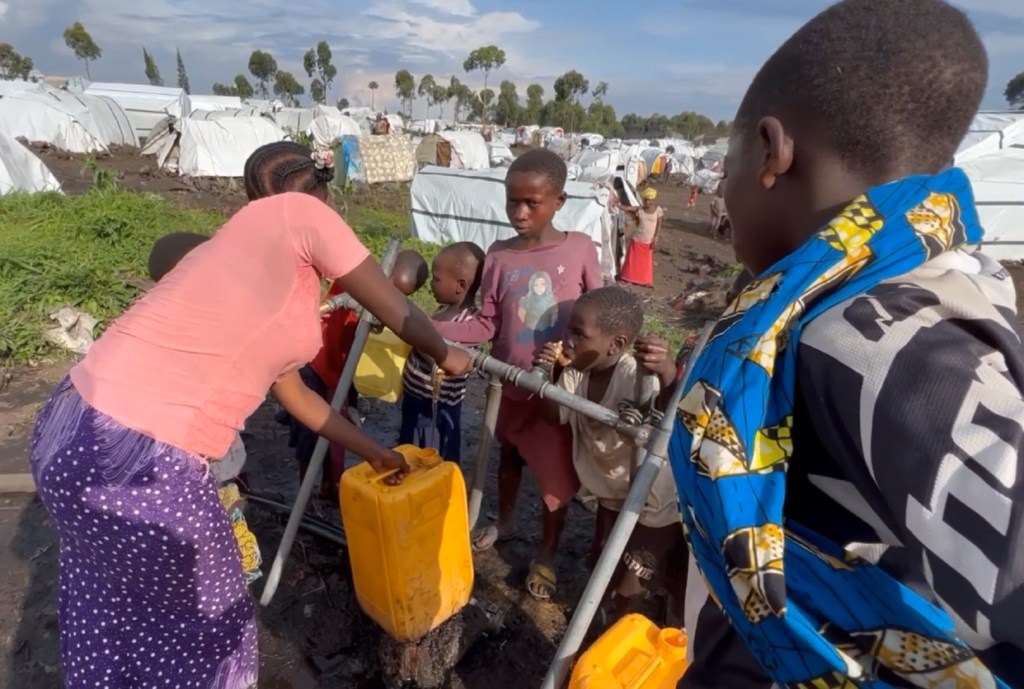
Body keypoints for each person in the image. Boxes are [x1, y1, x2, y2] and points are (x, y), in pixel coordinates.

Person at [29, 140, 471, 689]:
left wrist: (374, 451)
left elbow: (298, 397)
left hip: (69, 424)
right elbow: (396, 306)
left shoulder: (240, 261)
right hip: (141, 456)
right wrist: (448, 353)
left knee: (114, 602)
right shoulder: (301, 211)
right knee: (212, 625)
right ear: (317, 191)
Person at [672, 1, 1023, 688]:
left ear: (773, 152)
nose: (721, 191)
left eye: (726, 165)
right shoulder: (939, 283)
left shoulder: (881, 339)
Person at [434, 148, 603, 600]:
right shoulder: (499, 255)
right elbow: (487, 323)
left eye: (532, 203)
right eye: (512, 202)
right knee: (508, 457)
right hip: (508, 383)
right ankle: (506, 522)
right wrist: (430, 327)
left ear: (560, 201)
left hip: (554, 391)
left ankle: (547, 552)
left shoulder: (580, 249)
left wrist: (576, 360)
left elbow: (599, 320)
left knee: (554, 478)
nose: (520, 213)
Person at [534, 286, 686, 627]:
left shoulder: (635, 375)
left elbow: (668, 410)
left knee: (634, 575)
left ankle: (618, 627)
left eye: (579, 334)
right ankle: (595, 612)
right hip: (611, 489)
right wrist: (547, 377)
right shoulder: (576, 372)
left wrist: (665, 372)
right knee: (601, 556)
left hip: (649, 498)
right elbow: (552, 415)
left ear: (616, 345)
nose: (568, 341)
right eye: (568, 331)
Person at [284, 249, 429, 502]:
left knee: (338, 429)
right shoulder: (352, 282)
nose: (389, 299)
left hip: (339, 367)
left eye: (399, 296)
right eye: (389, 289)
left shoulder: (381, 304)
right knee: (310, 432)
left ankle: (330, 485)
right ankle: (303, 498)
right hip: (313, 362)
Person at [399, 242, 485, 464]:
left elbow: (441, 357)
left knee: (432, 457)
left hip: (436, 409)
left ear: (460, 285)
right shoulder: (442, 311)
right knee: (409, 448)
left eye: (436, 279)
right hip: (415, 397)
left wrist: (415, 333)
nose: (430, 285)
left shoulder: (467, 324)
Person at [619, 188, 663, 287]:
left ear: (653, 200)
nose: (647, 202)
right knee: (632, 262)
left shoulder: (658, 210)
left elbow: (659, 225)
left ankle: (645, 281)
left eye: (649, 200)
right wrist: (617, 204)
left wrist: (656, 237)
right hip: (637, 239)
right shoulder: (640, 209)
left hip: (648, 241)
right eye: (646, 200)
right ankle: (627, 278)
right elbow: (627, 208)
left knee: (646, 263)